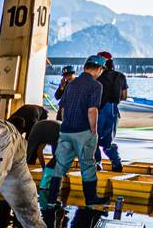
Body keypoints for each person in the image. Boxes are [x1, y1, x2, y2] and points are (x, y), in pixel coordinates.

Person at [45, 55, 107, 207]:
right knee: (87, 165)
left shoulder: (71, 84)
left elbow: (63, 108)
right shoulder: (96, 86)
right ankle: (91, 198)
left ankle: (52, 199)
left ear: (85, 67)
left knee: (60, 165)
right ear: (99, 69)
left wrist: (66, 125)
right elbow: (92, 110)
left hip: (66, 130)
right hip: (83, 131)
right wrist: (93, 130)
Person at [96, 52, 126, 172]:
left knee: (94, 139)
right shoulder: (121, 76)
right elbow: (124, 96)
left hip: (99, 109)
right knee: (109, 140)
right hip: (113, 110)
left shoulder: (98, 76)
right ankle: (116, 163)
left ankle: (97, 164)